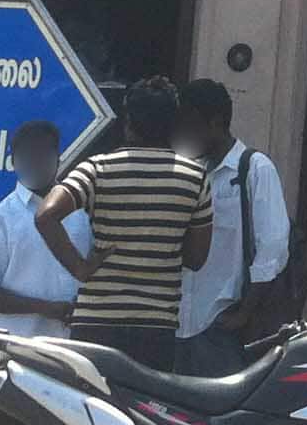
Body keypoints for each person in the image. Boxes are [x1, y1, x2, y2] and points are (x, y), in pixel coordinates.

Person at [35, 75, 212, 369]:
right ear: (173, 124)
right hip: (156, 328)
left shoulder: (96, 168)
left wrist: (80, 267)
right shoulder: (194, 178)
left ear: (128, 121)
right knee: (144, 412)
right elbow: (196, 259)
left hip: (96, 323)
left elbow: (45, 215)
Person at [174, 78, 294, 376]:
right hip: (179, 324)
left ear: (215, 122)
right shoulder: (189, 170)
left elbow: (273, 247)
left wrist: (244, 314)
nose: (184, 134)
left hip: (224, 325)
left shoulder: (254, 168)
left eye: (190, 124)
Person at [0, 119, 90, 339]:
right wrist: (44, 308)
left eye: (42, 155)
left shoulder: (82, 214)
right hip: (12, 346)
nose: (35, 162)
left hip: (71, 346)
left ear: (57, 160)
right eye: (28, 156)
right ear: (14, 162)